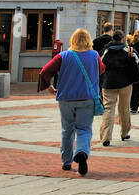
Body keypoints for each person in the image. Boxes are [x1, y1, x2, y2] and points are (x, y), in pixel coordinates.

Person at [37, 28, 105, 174]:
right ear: (88, 41)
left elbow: (44, 71)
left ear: (72, 40)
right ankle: (81, 152)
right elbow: (101, 70)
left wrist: (48, 86)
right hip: (87, 98)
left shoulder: (63, 56)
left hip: (66, 98)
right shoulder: (94, 55)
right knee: (84, 129)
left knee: (67, 129)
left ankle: (66, 162)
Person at [98, 31, 137, 146]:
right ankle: (124, 133)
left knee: (108, 108)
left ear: (112, 38)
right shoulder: (128, 50)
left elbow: (99, 64)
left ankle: (105, 137)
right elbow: (137, 62)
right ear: (123, 38)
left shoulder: (106, 51)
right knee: (125, 107)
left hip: (109, 83)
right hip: (125, 83)